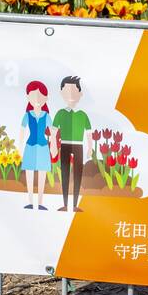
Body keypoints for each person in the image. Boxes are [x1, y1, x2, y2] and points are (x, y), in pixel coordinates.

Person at [52, 75, 95, 212]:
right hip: (64, 145)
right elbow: (53, 132)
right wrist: (53, 146)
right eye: (66, 91)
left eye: (74, 91)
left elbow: (89, 133)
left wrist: (90, 148)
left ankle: (75, 204)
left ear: (80, 94)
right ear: (61, 93)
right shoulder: (60, 113)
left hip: (78, 146)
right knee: (64, 173)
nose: (70, 94)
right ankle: (65, 204)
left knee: (78, 174)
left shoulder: (82, 115)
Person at [20, 81, 54, 210]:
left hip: (43, 147)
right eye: (33, 96)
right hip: (30, 146)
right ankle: (30, 201)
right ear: (28, 97)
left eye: (40, 96)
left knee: (42, 175)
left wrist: (54, 147)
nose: (37, 100)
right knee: (29, 174)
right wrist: (19, 147)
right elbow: (22, 132)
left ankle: (40, 203)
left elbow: (52, 132)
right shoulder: (27, 115)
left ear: (46, 98)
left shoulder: (47, 116)